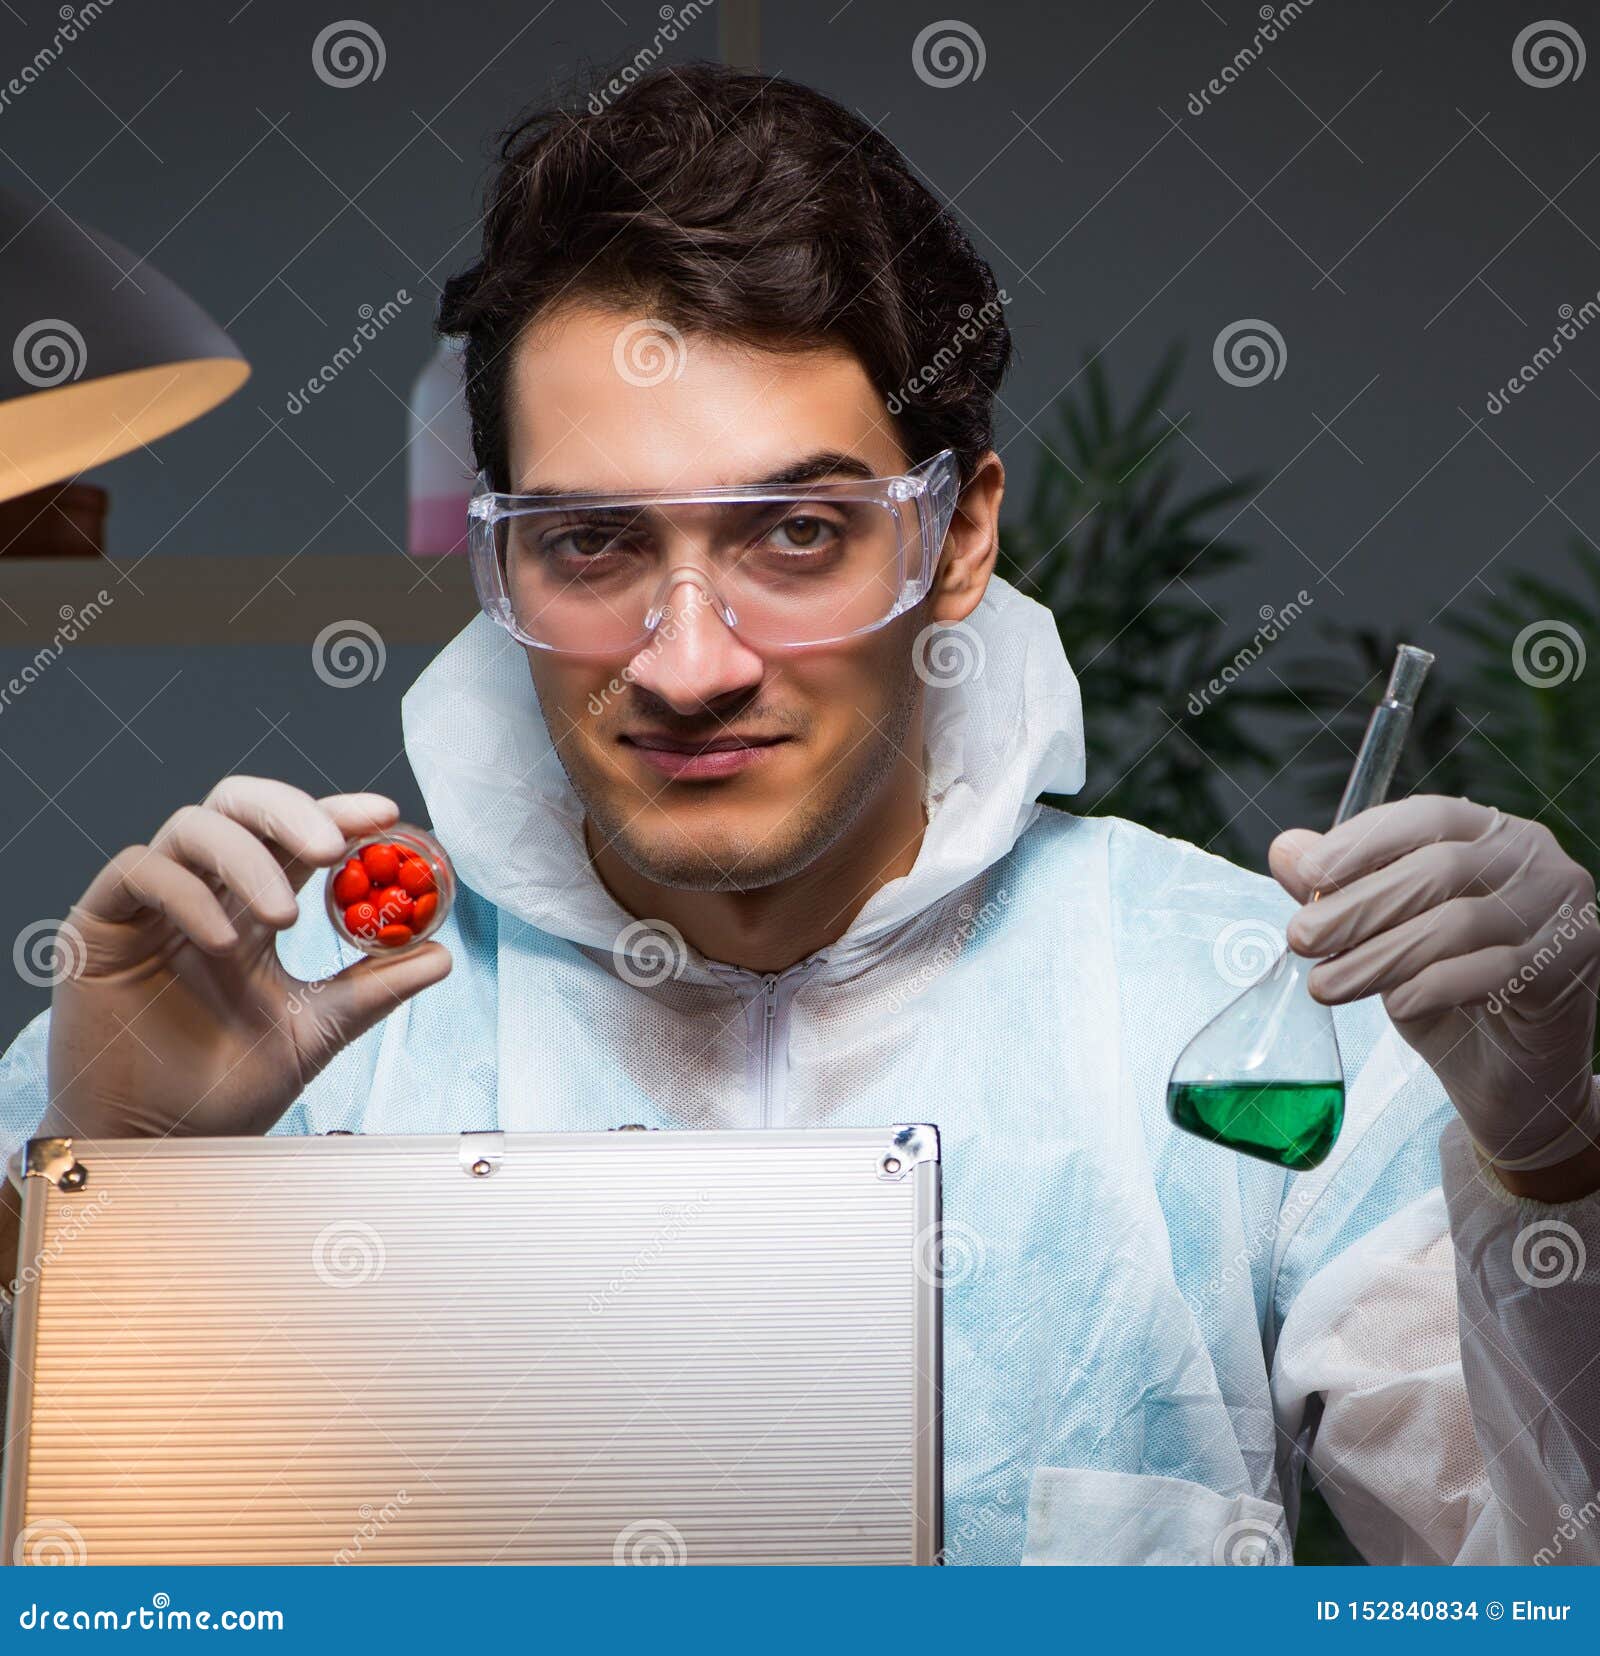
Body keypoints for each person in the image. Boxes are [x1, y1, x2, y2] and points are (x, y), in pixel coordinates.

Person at [3, 62, 1598, 1567]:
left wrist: (1549, 1169)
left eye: (797, 533)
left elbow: (1554, 1589)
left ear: (959, 534)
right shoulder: (257, 1011)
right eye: (591, 545)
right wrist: (107, 1204)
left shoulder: (1245, 1023)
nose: (688, 664)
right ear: (497, 562)